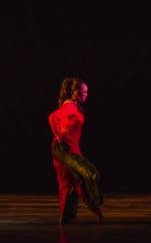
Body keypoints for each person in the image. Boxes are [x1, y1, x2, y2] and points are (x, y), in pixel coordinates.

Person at [48, 77, 103, 224]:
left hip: (68, 147)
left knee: (69, 182)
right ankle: (94, 206)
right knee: (87, 175)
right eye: (84, 92)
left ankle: (68, 216)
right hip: (65, 148)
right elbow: (52, 117)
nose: (86, 95)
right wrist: (60, 134)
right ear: (77, 93)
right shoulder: (70, 106)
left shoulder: (73, 105)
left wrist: (60, 133)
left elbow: (55, 118)